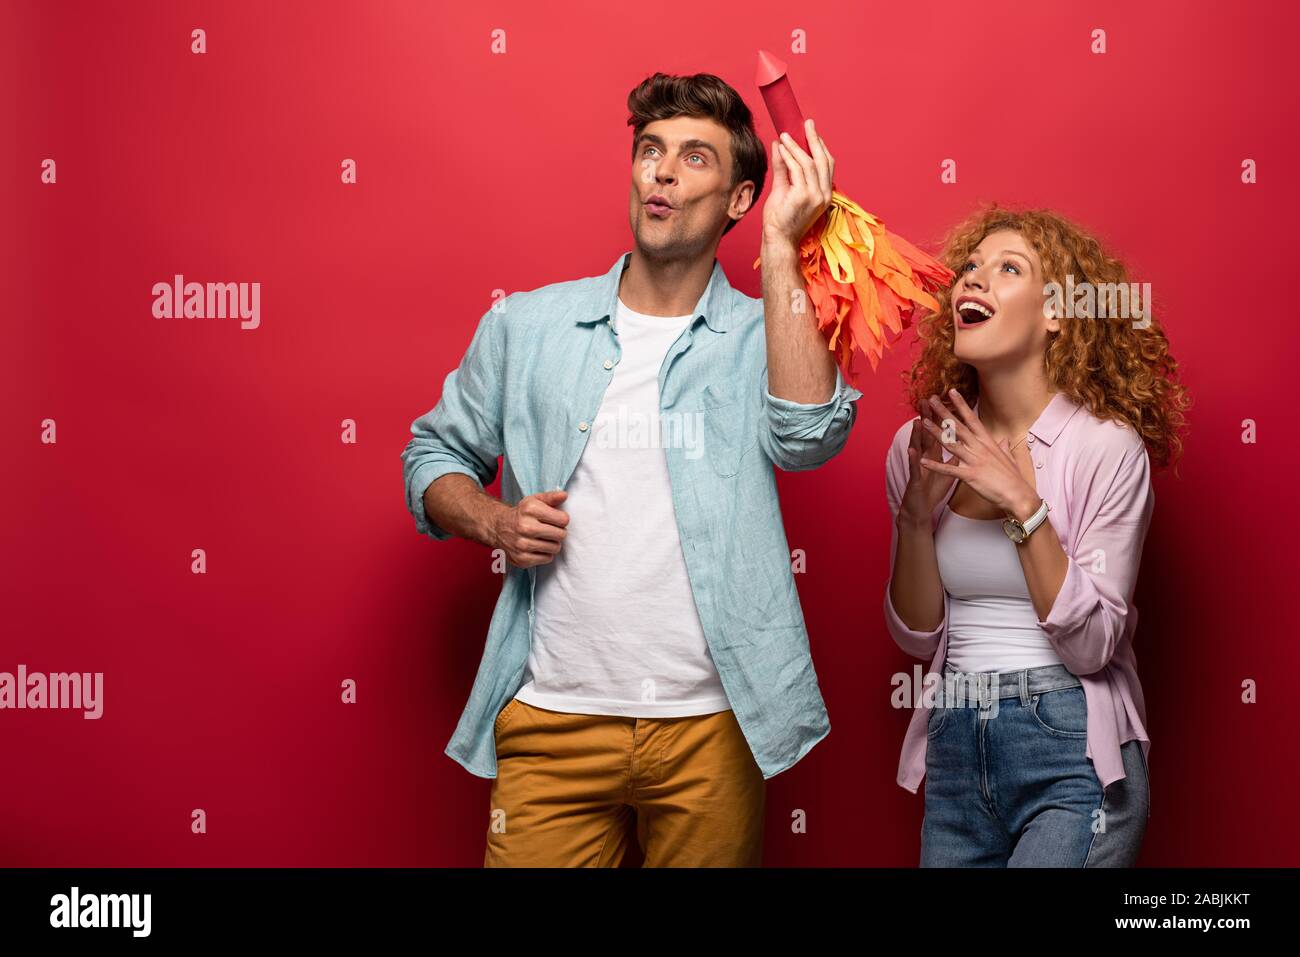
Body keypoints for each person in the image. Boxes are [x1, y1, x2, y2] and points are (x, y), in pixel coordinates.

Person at [400, 72, 862, 867]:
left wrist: (785, 248)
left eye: (693, 158)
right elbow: (431, 455)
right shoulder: (528, 325)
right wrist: (496, 521)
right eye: (650, 151)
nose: (662, 172)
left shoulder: (767, 333)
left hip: (712, 726)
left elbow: (807, 437)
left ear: (740, 200)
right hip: (550, 716)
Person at [882, 205, 1189, 866]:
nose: (974, 281)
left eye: (1007, 269)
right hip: (957, 737)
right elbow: (917, 635)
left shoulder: (1105, 448)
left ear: (1055, 315)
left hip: (1069, 741)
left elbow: (1093, 645)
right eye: (970, 269)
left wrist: (1025, 507)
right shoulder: (918, 445)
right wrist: (914, 517)